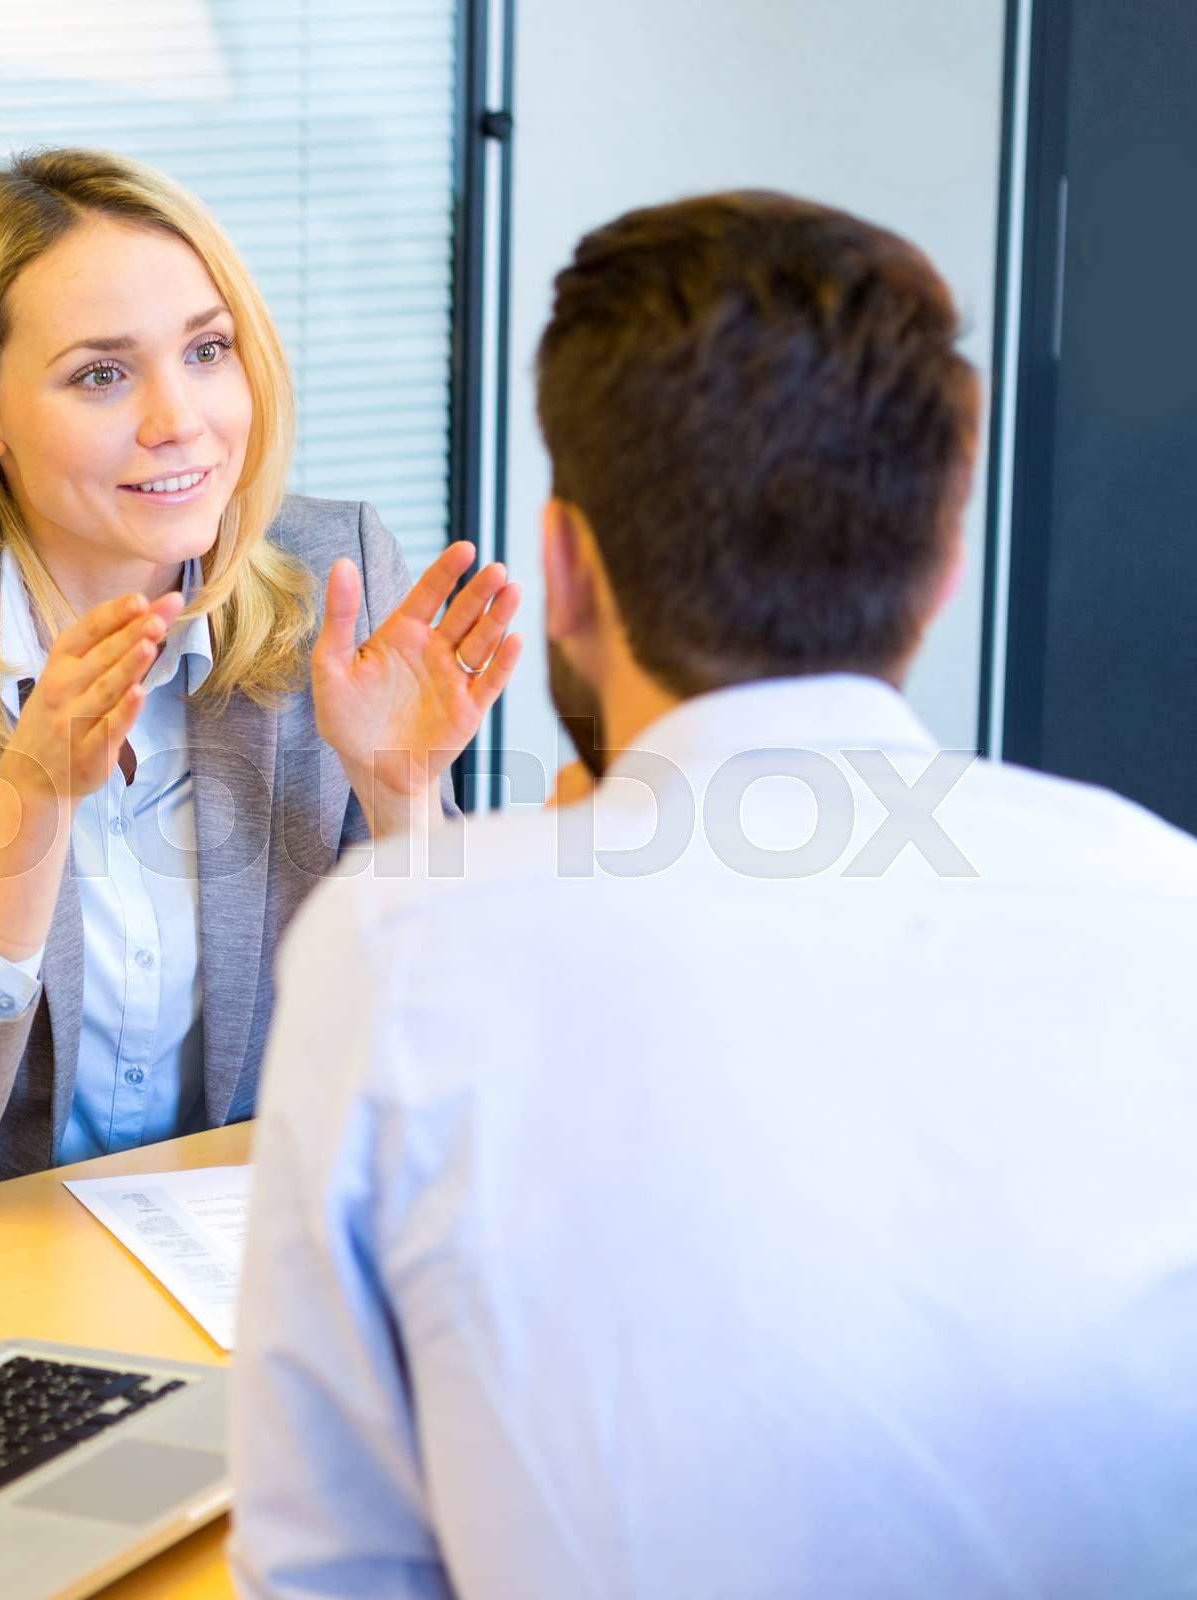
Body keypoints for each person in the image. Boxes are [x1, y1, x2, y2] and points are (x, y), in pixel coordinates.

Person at [230, 191, 1197, 1597]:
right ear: (944, 563)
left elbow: (332, 1573)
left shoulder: (404, 947)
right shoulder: (1160, 896)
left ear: (562, 573)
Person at [0, 147, 521, 1213]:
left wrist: (403, 800)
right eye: (102, 374)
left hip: (256, 1253)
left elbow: (466, 1077)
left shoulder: (334, 580)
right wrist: (33, 800)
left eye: (207, 349)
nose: (180, 420)